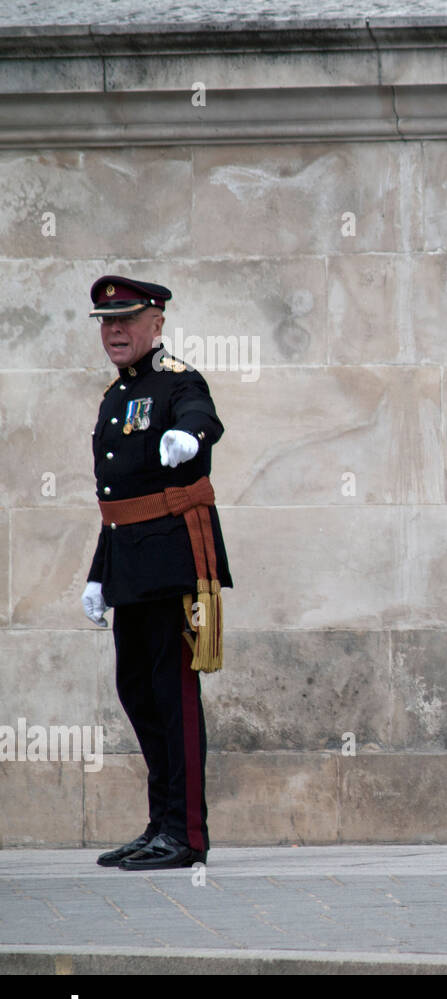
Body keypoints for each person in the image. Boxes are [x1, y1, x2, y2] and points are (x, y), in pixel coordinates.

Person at [80, 276, 232, 871]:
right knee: (136, 691)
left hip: (173, 564)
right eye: (105, 323)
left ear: (157, 324)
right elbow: (117, 501)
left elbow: (203, 418)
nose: (115, 331)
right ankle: (160, 822)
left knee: (174, 694)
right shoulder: (114, 398)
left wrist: (186, 438)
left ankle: (187, 833)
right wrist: (98, 574)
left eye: (127, 321)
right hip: (129, 567)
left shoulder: (180, 383)